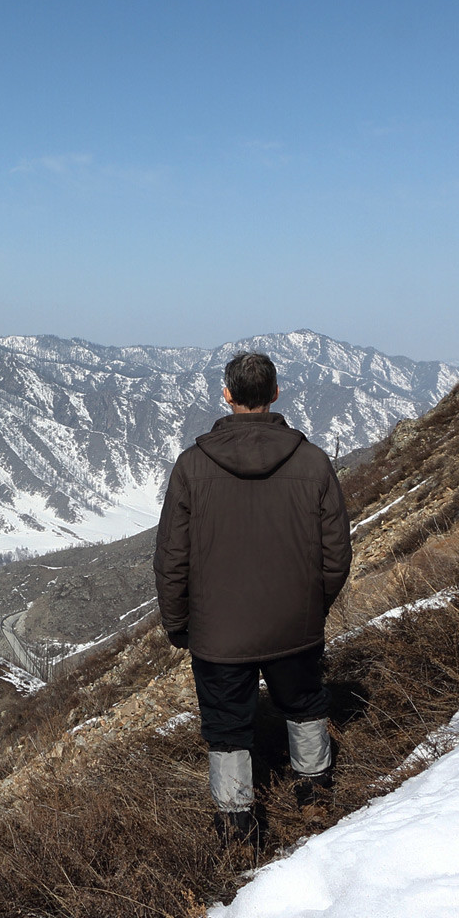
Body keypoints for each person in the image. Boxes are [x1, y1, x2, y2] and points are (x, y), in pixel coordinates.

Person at [154, 351, 351, 846]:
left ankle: (236, 827)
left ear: (227, 394)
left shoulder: (192, 467)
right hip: (294, 623)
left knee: (226, 727)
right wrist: (312, 605)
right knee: (304, 704)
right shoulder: (312, 461)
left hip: (218, 633)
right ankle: (316, 795)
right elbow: (336, 552)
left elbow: (172, 559)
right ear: (276, 393)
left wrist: (181, 624)